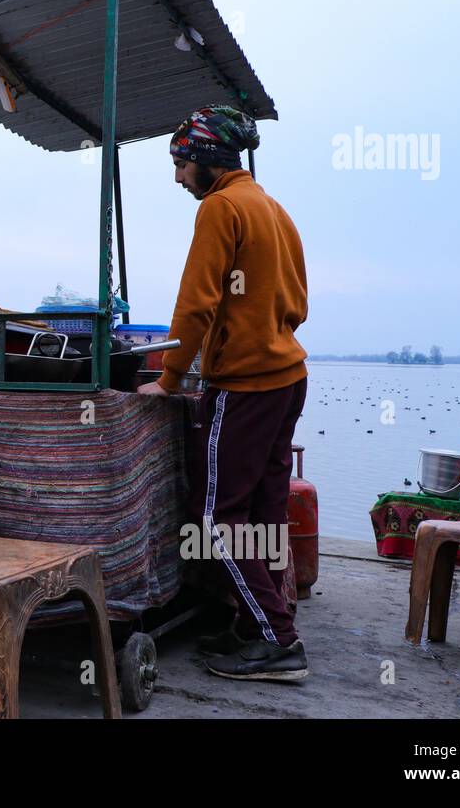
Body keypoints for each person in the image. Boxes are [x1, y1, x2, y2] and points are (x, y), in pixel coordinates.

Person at [137, 105, 310, 682]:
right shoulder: (272, 208)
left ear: (208, 160)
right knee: (262, 511)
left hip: (246, 385)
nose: (178, 176)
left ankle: (278, 642)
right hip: (287, 377)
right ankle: (253, 623)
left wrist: (168, 378)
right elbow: (297, 302)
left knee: (215, 517)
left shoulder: (220, 207)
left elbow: (196, 302)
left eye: (182, 163)